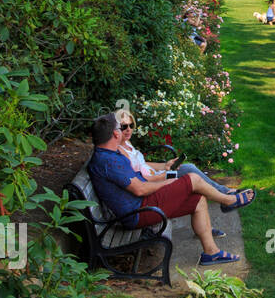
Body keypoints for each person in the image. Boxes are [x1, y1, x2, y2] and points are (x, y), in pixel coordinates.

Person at [87, 113, 255, 265]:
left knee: (197, 199)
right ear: (116, 134)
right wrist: (166, 183)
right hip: (137, 212)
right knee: (192, 179)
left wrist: (164, 176)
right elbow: (140, 189)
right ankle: (228, 200)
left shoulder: (109, 154)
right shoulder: (108, 161)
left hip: (141, 205)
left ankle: (212, 253)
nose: (125, 130)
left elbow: (139, 180)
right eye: (120, 128)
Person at [113, 108, 254, 240]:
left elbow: (143, 164)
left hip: (156, 175)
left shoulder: (127, 143)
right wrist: (165, 175)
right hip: (153, 184)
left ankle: (212, 217)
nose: (128, 130)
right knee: (190, 174)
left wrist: (165, 165)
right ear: (115, 129)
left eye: (131, 125)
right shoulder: (119, 151)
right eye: (124, 126)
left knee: (190, 171)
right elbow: (138, 179)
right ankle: (227, 197)